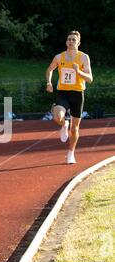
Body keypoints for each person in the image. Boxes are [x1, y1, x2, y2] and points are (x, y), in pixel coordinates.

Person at [45, 30, 93, 164]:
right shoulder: (59, 57)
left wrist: (78, 72)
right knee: (57, 117)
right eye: (69, 39)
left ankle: (71, 153)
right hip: (63, 93)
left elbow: (90, 79)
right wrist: (49, 82)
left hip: (77, 94)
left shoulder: (84, 58)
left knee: (75, 128)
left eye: (74, 39)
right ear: (66, 42)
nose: (71, 41)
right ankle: (64, 123)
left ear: (78, 42)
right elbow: (49, 70)